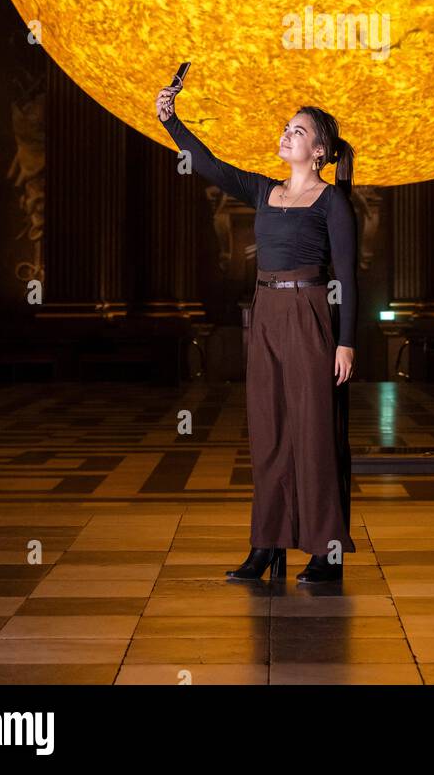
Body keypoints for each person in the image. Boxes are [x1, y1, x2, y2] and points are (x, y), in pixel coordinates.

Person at [155, 79, 358, 583]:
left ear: (319, 151)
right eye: (286, 128)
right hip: (265, 310)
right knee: (268, 430)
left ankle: (326, 550)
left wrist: (346, 342)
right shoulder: (264, 190)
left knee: (314, 432)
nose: (286, 134)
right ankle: (266, 544)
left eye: (298, 131)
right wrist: (170, 121)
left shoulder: (332, 201)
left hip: (310, 312)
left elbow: (349, 277)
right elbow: (208, 164)